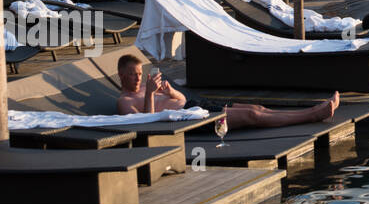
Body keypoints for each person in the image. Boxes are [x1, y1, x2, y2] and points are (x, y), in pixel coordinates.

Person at [116, 53, 339, 126]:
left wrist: (169, 92)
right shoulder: (125, 102)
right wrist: (149, 96)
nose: (137, 78)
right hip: (189, 120)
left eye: (138, 73)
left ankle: (312, 110)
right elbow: (145, 123)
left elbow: (181, 98)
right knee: (252, 115)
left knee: (257, 106)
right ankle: (313, 115)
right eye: (132, 74)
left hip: (194, 106)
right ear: (121, 76)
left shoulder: (148, 86)